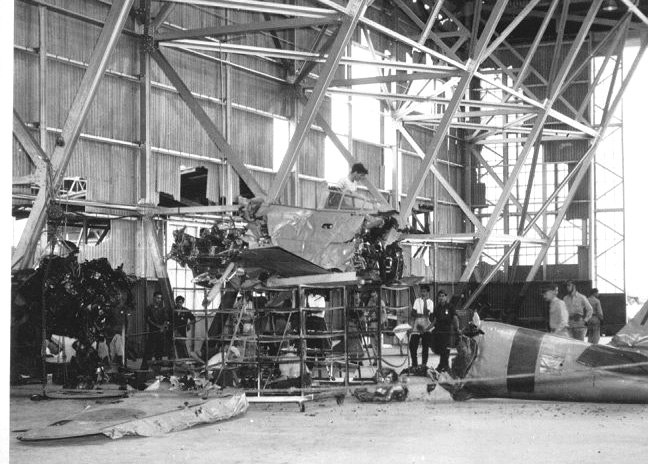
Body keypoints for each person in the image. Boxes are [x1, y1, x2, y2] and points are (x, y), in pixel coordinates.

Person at [140, 291, 171, 370]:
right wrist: (158, 327)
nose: (159, 300)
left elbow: (166, 319)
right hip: (153, 332)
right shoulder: (149, 308)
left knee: (159, 352)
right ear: (154, 298)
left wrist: (163, 327)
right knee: (149, 351)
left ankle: (158, 370)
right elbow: (148, 320)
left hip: (161, 334)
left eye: (160, 298)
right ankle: (144, 369)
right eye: (157, 298)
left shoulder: (162, 309)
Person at [430, 289, 459, 372]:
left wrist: (457, 329)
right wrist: (427, 328)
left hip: (447, 331)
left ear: (446, 297)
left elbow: (455, 318)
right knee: (441, 349)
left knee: (445, 349)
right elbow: (434, 320)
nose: (441, 298)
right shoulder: (436, 308)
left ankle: (443, 366)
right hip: (438, 331)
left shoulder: (450, 307)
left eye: (443, 296)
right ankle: (444, 366)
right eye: (439, 296)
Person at [409, 285, 434, 368]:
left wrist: (425, 301)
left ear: (428, 292)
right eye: (421, 291)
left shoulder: (430, 302)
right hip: (417, 324)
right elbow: (412, 313)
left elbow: (428, 313)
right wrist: (419, 314)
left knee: (425, 346)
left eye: (424, 292)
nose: (422, 293)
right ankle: (414, 364)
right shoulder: (417, 300)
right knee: (412, 345)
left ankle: (424, 364)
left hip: (426, 325)